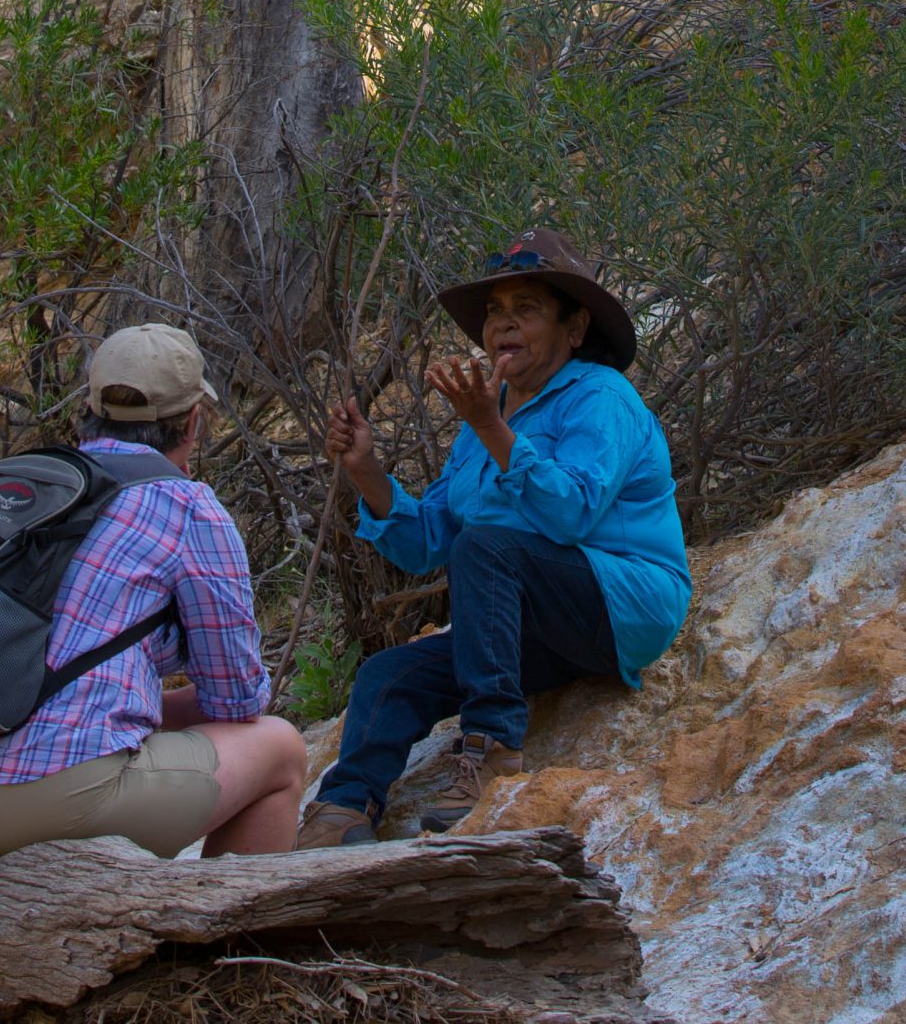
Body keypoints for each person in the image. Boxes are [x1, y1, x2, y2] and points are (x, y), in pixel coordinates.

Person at [295, 228, 690, 847]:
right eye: (496, 312)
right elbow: (428, 541)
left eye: (526, 308)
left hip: (625, 607)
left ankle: (492, 748)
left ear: (576, 327)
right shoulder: (492, 411)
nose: (504, 324)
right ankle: (344, 811)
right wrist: (366, 471)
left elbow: (572, 516)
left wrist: (489, 426)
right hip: (531, 626)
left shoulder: (601, 398)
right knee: (389, 674)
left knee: (485, 548)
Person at [0, 323, 307, 858]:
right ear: (194, 421)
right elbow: (235, 699)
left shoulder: (28, 482)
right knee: (281, 749)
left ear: (91, 407)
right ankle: (228, 935)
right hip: (40, 804)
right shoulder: (187, 509)